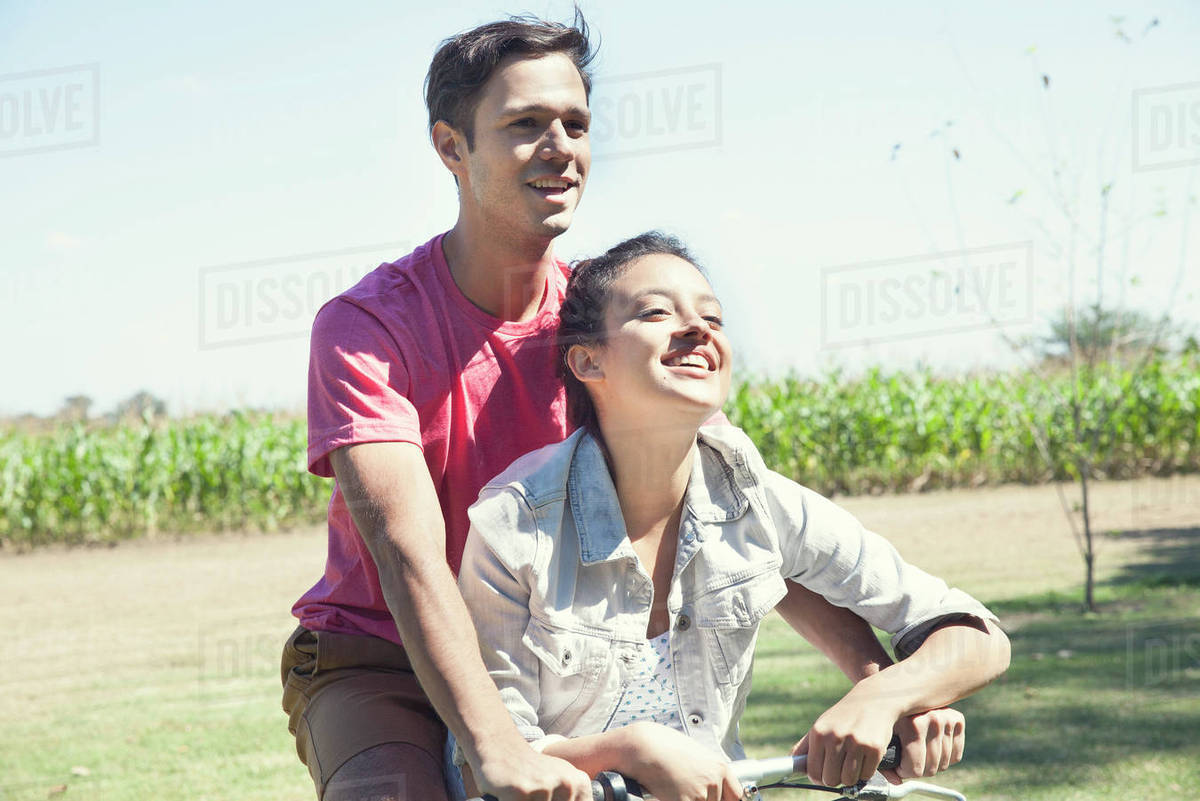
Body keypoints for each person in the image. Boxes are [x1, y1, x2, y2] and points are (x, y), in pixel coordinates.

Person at [280, 11, 975, 801]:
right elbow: (405, 552)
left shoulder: (610, 323)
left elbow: (739, 514)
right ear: (451, 148)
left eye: (575, 123)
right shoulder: (368, 328)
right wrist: (497, 749)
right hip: (381, 656)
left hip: (545, 651)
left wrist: (881, 686)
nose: (562, 147)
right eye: (525, 124)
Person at [456, 232, 1012, 801]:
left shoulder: (757, 500)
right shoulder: (515, 527)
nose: (699, 330)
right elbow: (492, 764)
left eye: (713, 318)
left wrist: (888, 695)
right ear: (587, 360)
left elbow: (977, 634)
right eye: (654, 312)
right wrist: (632, 750)